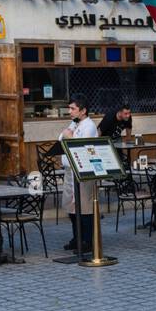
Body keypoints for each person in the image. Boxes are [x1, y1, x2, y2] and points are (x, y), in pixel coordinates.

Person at [60, 96, 99, 251]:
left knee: (84, 208)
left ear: (83, 111)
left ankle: (87, 241)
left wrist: (69, 135)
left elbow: (78, 144)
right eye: (69, 108)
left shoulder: (89, 125)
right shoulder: (74, 122)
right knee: (71, 207)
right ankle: (77, 238)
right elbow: (61, 137)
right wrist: (68, 135)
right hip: (70, 171)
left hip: (83, 171)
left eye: (73, 108)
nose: (69, 111)